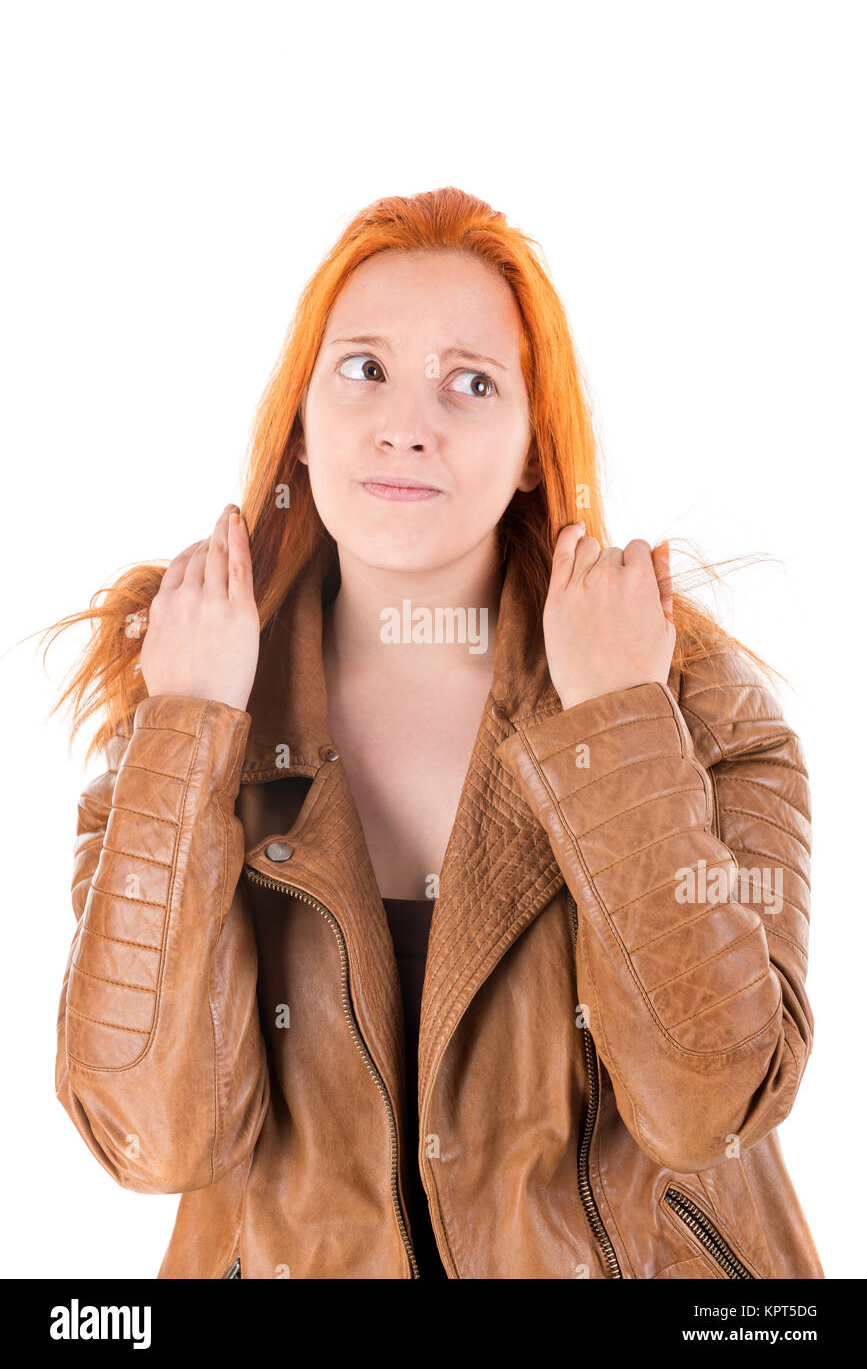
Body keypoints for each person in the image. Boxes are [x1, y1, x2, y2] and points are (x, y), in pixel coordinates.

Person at [44, 187, 824, 1278]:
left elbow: (716, 1103)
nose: (407, 421)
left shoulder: (696, 709)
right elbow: (152, 1135)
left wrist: (619, 728)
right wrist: (188, 731)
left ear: (532, 452)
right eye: (363, 368)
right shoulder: (187, 717)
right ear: (304, 429)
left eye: (472, 382)